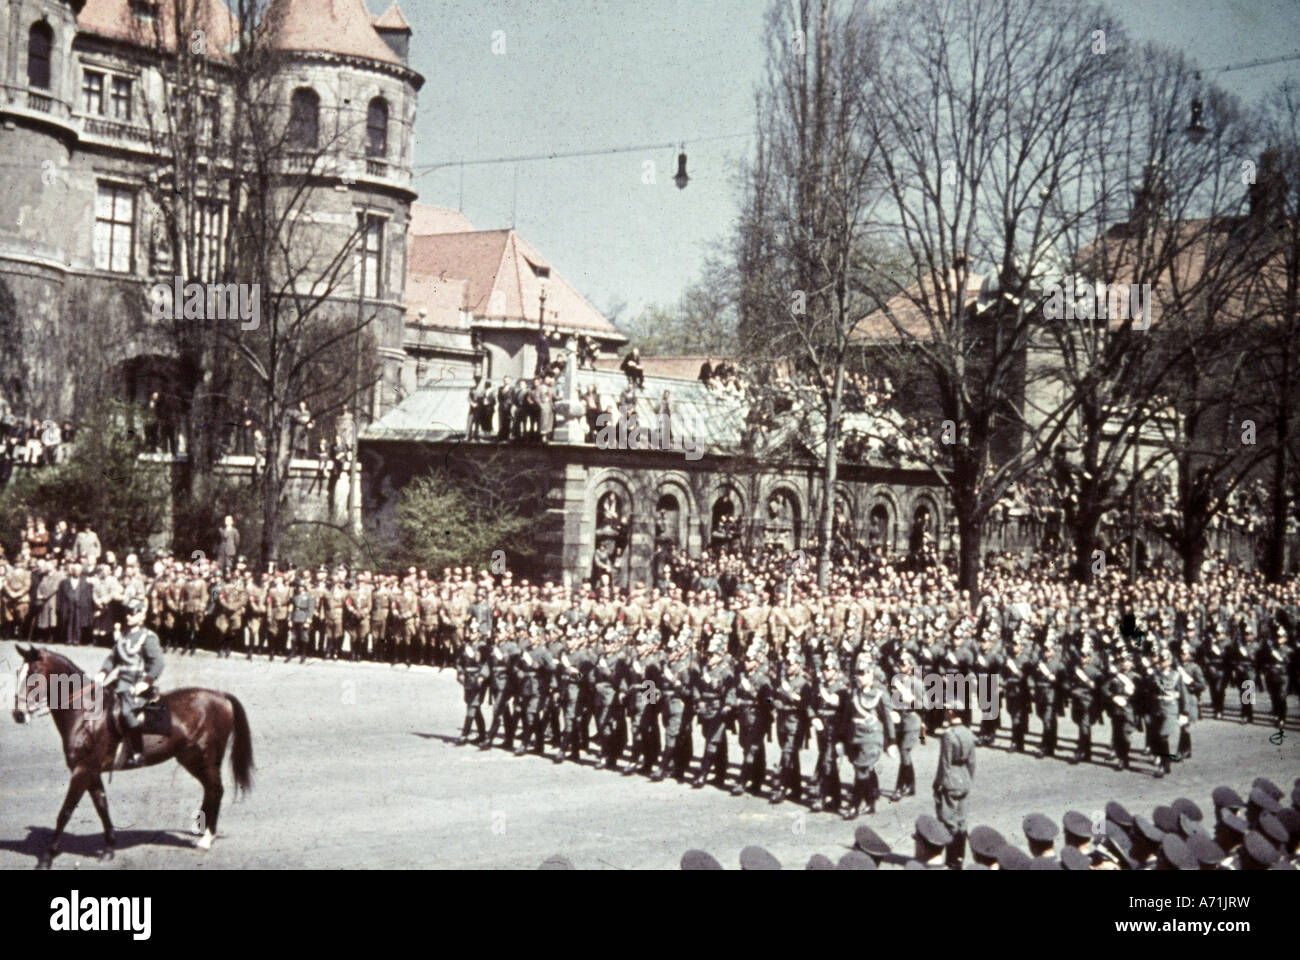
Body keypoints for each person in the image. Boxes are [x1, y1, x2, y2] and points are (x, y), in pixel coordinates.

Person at [95, 597, 164, 769]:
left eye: (133, 613)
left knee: (126, 712)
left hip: (137, 684)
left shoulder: (148, 638)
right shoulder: (124, 635)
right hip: (121, 681)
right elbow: (113, 658)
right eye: (127, 612)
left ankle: (138, 752)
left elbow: (158, 663)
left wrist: (146, 682)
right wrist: (103, 673)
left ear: (142, 616)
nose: (128, 616)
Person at [933, 704, 976, 869]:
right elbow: (972, 763)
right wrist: (967, 780)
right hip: (964, 777)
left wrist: (938, 783)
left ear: (951, 712)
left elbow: (944, 764)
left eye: (946, 710)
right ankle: (959, 858)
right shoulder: (968, 733)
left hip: (950, 780)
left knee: (948, 820)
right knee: (961, 821)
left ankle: (951, 860)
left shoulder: (948, 735)